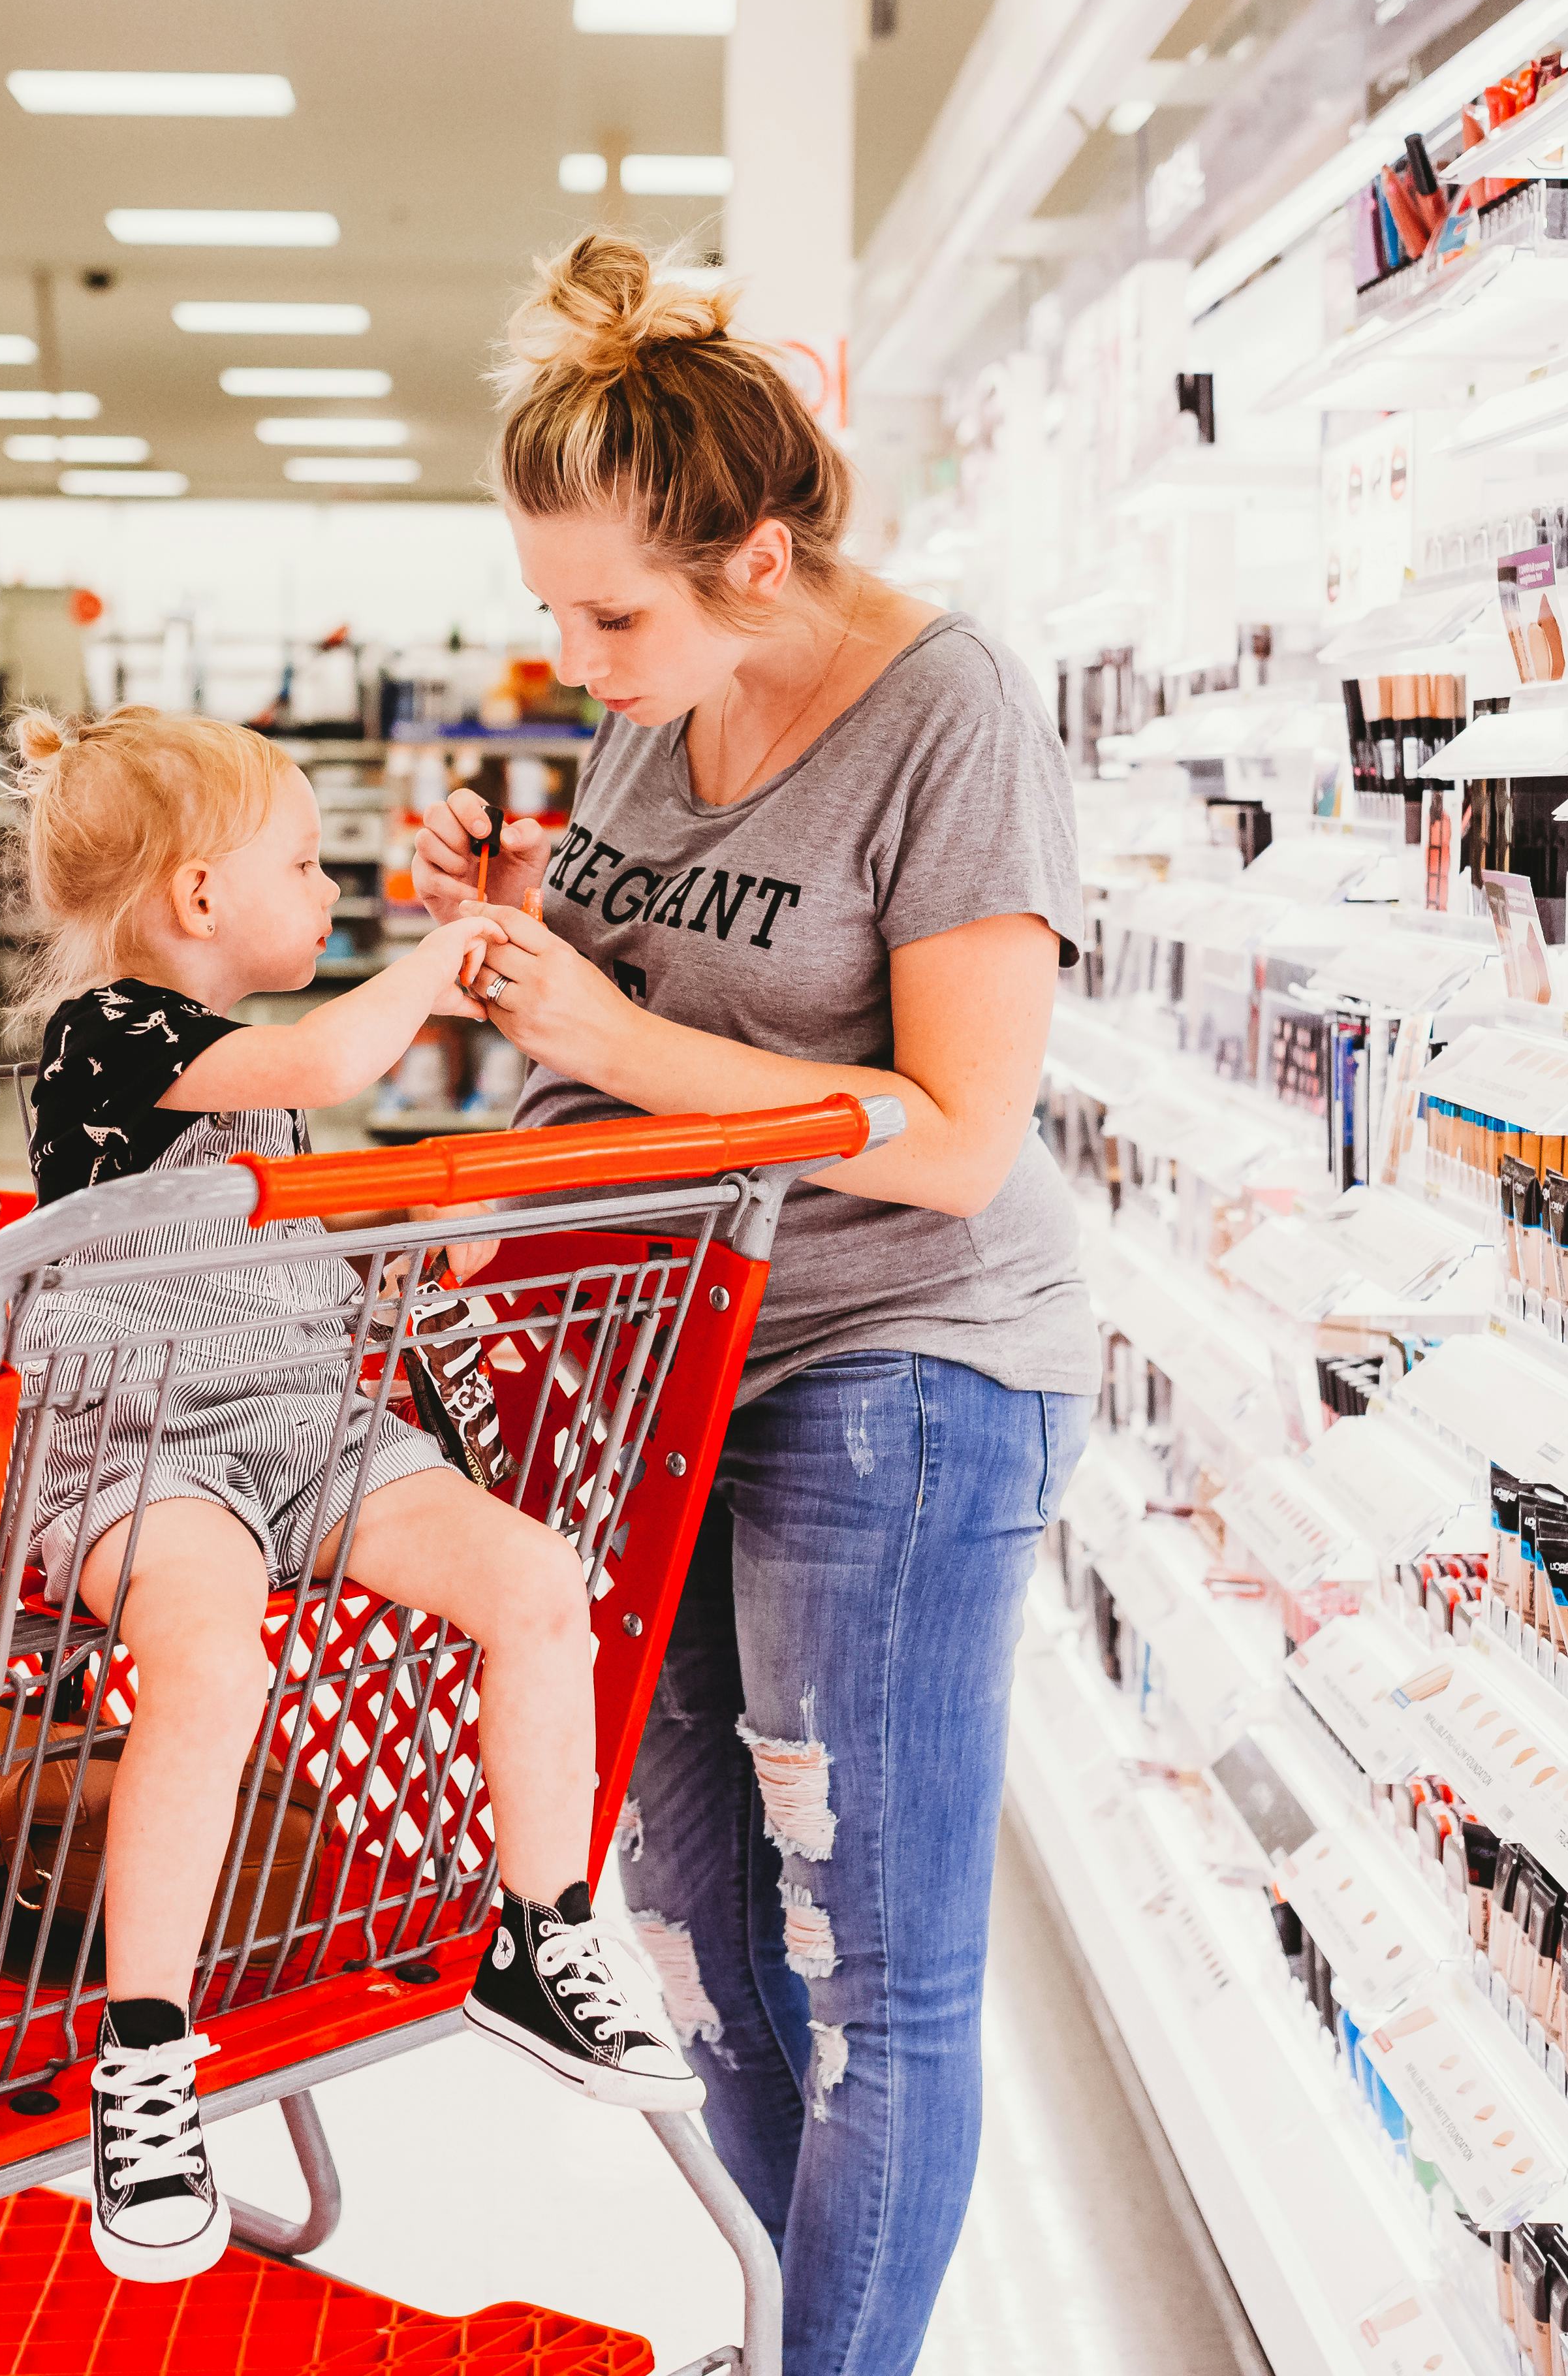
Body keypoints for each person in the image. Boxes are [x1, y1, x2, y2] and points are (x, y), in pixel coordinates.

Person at [411, 235, 1090, 2376]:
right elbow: (589, 1030)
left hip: (900, 1367)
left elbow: (955, 1131)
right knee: (696, 1928)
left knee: (871, 1963)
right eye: (548, 605)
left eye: (608, 609)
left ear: (760, 554)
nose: (574, 653)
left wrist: (613, 1037)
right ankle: (808, 2330)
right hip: (663, 1354)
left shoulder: (949, 709)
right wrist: (480, 1201)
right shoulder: (651, 708)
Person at [5, 703, 702, 2285]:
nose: (333, 893)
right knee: (208, 1647)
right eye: (307, 865)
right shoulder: (110, 1034)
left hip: (304, 1423)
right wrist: (454, 956)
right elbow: (325, 1051)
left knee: (534, 1582)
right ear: (195, 898)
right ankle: (147, 2058)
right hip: (144, 1442)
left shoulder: (230, 1055)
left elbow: (277, 1202)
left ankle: (542, 1935)